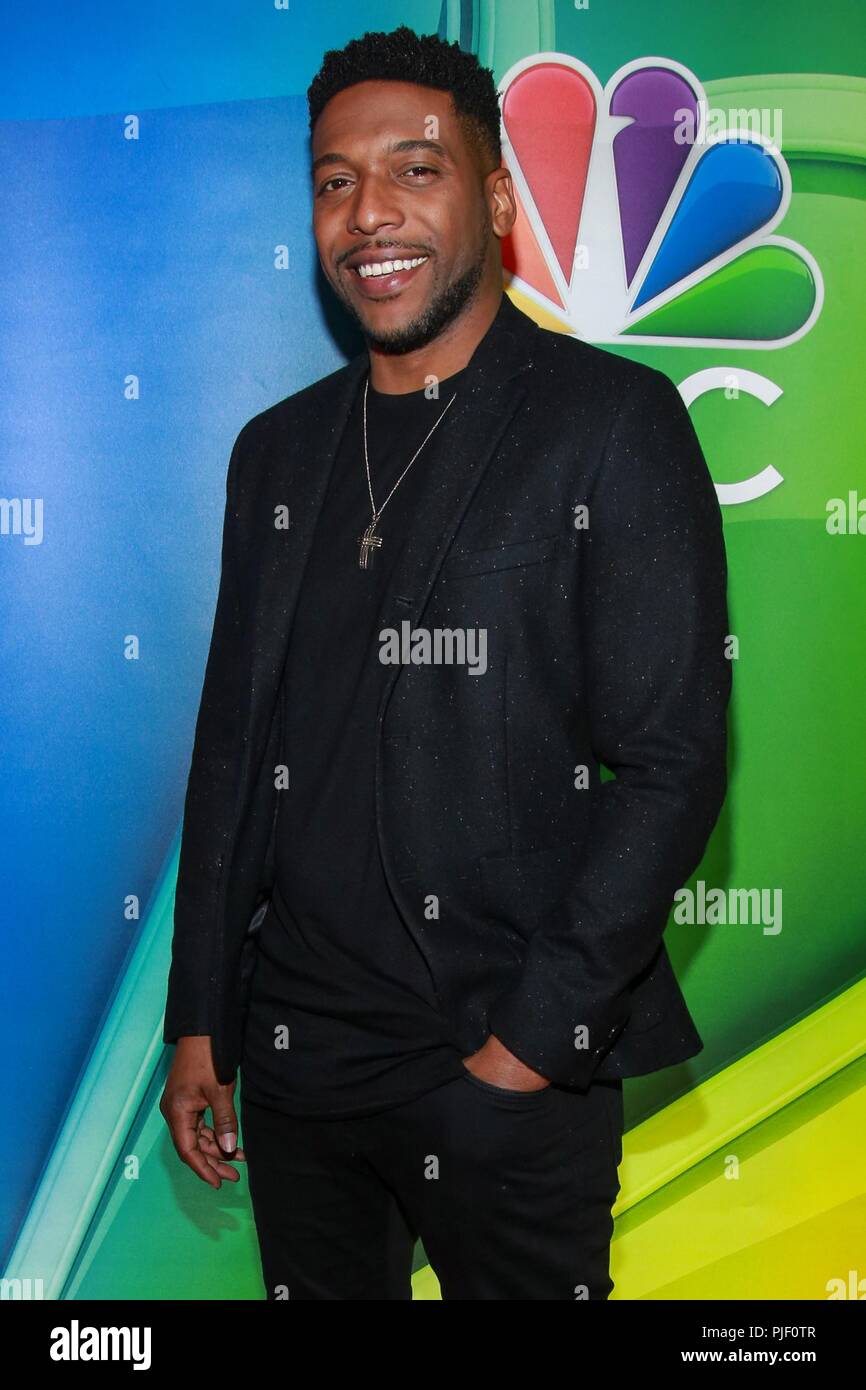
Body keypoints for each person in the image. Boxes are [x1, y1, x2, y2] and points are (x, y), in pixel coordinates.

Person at [159, 25, 732, 1300]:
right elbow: (233, 746)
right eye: (332, 179)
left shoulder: (608, 424)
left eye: (414, 170)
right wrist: (200, 1014)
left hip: (499, 1066)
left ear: (495, 198)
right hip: (298, 1061)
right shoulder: (278, 453)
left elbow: (669, 764)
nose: (369, 213)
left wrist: (525, 1052)